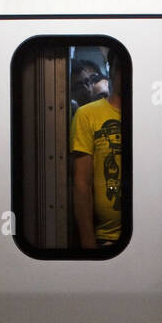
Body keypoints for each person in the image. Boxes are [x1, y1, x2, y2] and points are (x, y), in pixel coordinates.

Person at [71, 53, 125, 250]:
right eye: (120, 66)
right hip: (107, 236)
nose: (125, 73)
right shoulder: (87, 115)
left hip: (158, 231)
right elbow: (81, 183)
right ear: (111, 69)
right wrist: (87, 240)